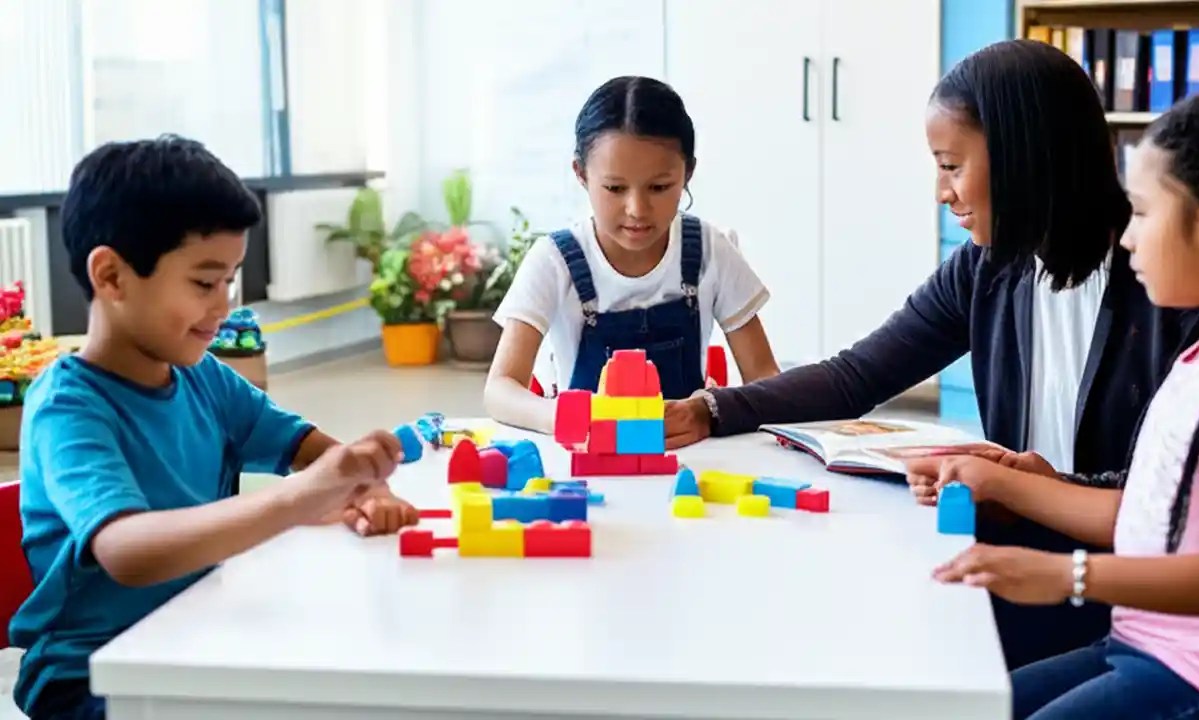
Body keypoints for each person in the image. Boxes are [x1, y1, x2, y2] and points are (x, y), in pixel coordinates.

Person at [663, 39, 1199, 669]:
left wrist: (1034, 485)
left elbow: (1164, 503)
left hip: (1117, 582)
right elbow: (857, 375)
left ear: (1020, 156)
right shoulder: (987, 269)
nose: (941, 192)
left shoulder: (1169, 284)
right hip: (1012, 544)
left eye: (951, 165)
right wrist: (713, 408)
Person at [9, 136, 420, 720]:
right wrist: (303, 497)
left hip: (196, 634)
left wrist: (360, 481)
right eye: (204, 283)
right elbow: (128, 552)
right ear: (112, 276)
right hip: (91, 679)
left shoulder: (202, 377)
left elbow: (308, 448)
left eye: (230, 280)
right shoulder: (69, 407)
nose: (224, 305)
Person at [932, 83, 1199, 720]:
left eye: (1143, 214)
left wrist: (1069, 576)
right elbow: (1153, 518)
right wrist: (1017, 485)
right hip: (1144, 642)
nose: (1126, 239)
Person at [485, 75, 780, 433]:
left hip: (690, 463)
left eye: (659, 187)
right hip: (585, 464)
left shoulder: (709, 249)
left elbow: (765, 379)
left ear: (688, 172)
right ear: (581, 174)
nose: (637, 209)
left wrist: (712, 411)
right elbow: (500, 389)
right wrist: (567, 417)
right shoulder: (555, 260)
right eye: (614, 187)